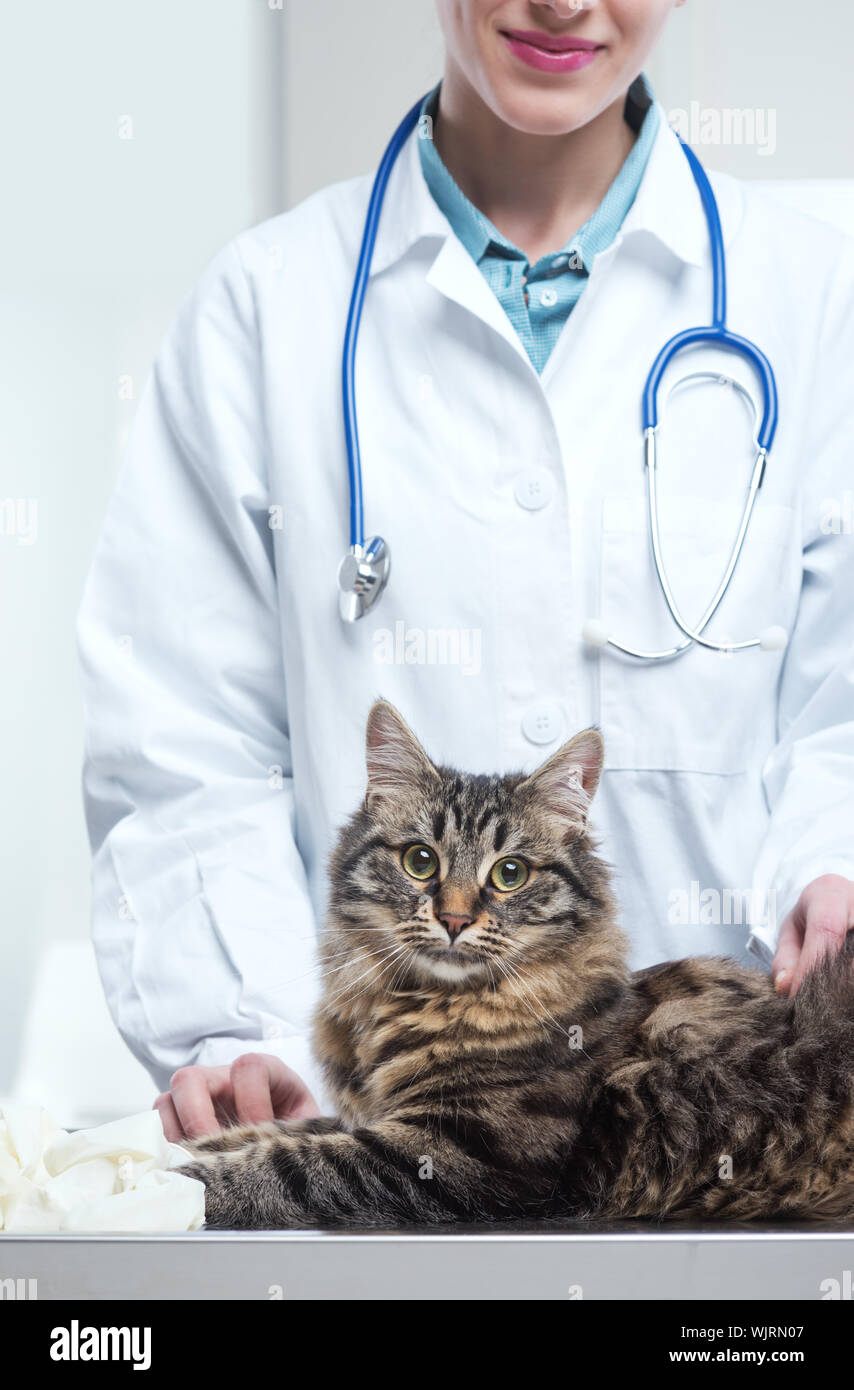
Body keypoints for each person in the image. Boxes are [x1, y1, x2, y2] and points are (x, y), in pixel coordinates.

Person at [77, 0, 854, 1143]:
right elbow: (183, 747)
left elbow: (836, 712)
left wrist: (829, 866)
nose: (560, 3)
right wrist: (245, 1032)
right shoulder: (264, 312)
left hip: (722, 1152)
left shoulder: (817, 300)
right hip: (374, 1144)